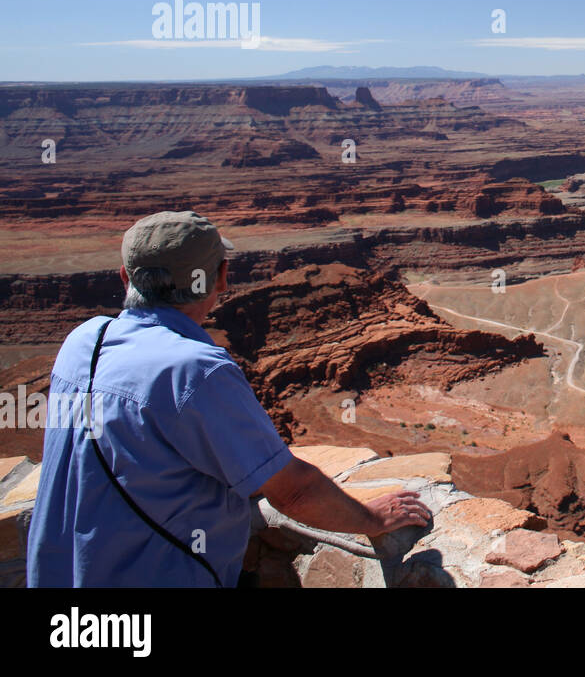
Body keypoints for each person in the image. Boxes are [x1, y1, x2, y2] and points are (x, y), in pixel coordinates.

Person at [26, 210, 431, 587]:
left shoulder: (82, 342)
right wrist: (372, 518)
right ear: (219, 278)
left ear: (124, 277)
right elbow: (292, 491)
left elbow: (139, 450)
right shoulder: (195, 369)